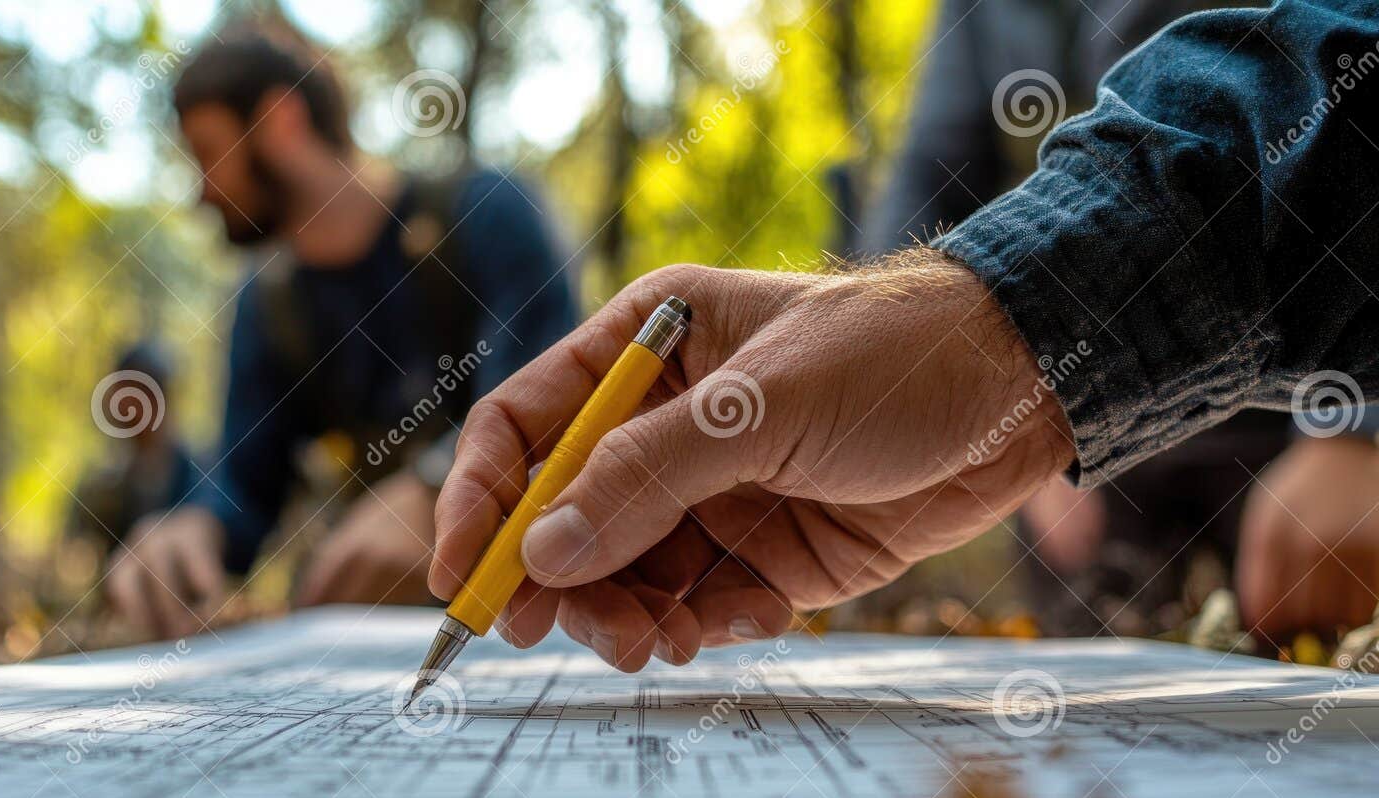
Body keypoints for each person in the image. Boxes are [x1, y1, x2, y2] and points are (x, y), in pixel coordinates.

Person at [429, 0, 1379, 669]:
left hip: (1305, 467)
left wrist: (1355, 433)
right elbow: (924, 199)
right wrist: (1021, 395)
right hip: (1078, 489)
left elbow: (1344, 63)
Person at [865, 0, 1379, 638]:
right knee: (1081, 709)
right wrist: (999, 406)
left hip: (1294, 430)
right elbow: (931, 178)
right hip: (1081, 454)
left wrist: (1355, 431)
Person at [105, 25, 576, 639]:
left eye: (208, 154)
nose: (201, 192)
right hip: (385, 647)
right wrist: (195, 529)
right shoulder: (268, 306)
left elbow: (555, 407)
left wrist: (437, 489)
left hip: (554, 611)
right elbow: (245, 483)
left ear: (279, 121)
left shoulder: (488, 217)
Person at [70, 341, 210, 553]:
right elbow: (80, 540)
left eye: (144, 393)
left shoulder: (198, 473)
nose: (130, 407)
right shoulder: (106, 480)